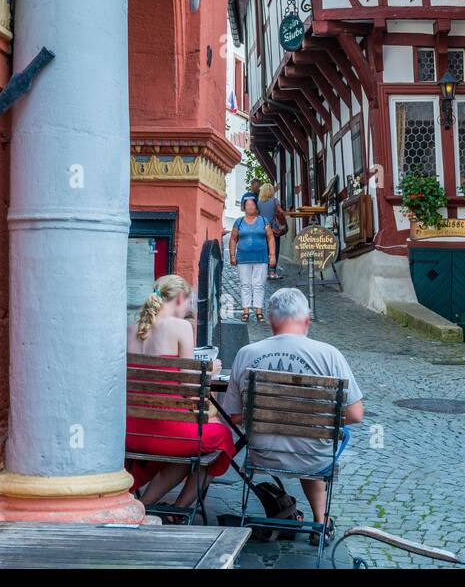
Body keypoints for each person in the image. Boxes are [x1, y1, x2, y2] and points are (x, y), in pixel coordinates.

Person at [223, 286, 364, 544]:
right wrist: (313, 417)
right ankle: (320, 523)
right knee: (315, 440)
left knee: (301, 437)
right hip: (314, 458)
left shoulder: (247, 354)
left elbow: (233, 417)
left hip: (263, 453)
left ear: (269, 319)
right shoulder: (329, 355)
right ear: (307, 319)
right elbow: (355, 414)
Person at [125, 274, 236, 515]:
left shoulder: (130, 330)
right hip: (168, 432)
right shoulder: (181, 327)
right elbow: (190, 387)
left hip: (131, 432)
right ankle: (179, 508)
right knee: (221, 438)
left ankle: (140, 507)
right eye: (188, 302)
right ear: (179, 298)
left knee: (186, 447)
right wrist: (209, 370)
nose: (188, 309)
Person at [229, 194, 276, 323]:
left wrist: (272, 255)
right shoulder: (238, 222)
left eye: (252, 205)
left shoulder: (263, 221)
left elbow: (270, 238)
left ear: (256, 207)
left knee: (259, 285)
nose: (250, 207)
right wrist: (232, 255)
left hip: (260, 258)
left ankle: (259, 311)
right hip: (243, 258)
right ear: (244, 207)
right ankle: (246, 311)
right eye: (247, 205)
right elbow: (233, 239)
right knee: (245, 285)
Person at [257, 180, 288, 279]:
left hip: (262, 230)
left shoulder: (258, 203)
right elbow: (281, 212)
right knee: (274, 251)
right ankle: (272, 273)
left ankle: (264, 272)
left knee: (264, 251)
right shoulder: (275, 201)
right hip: (274, 230)